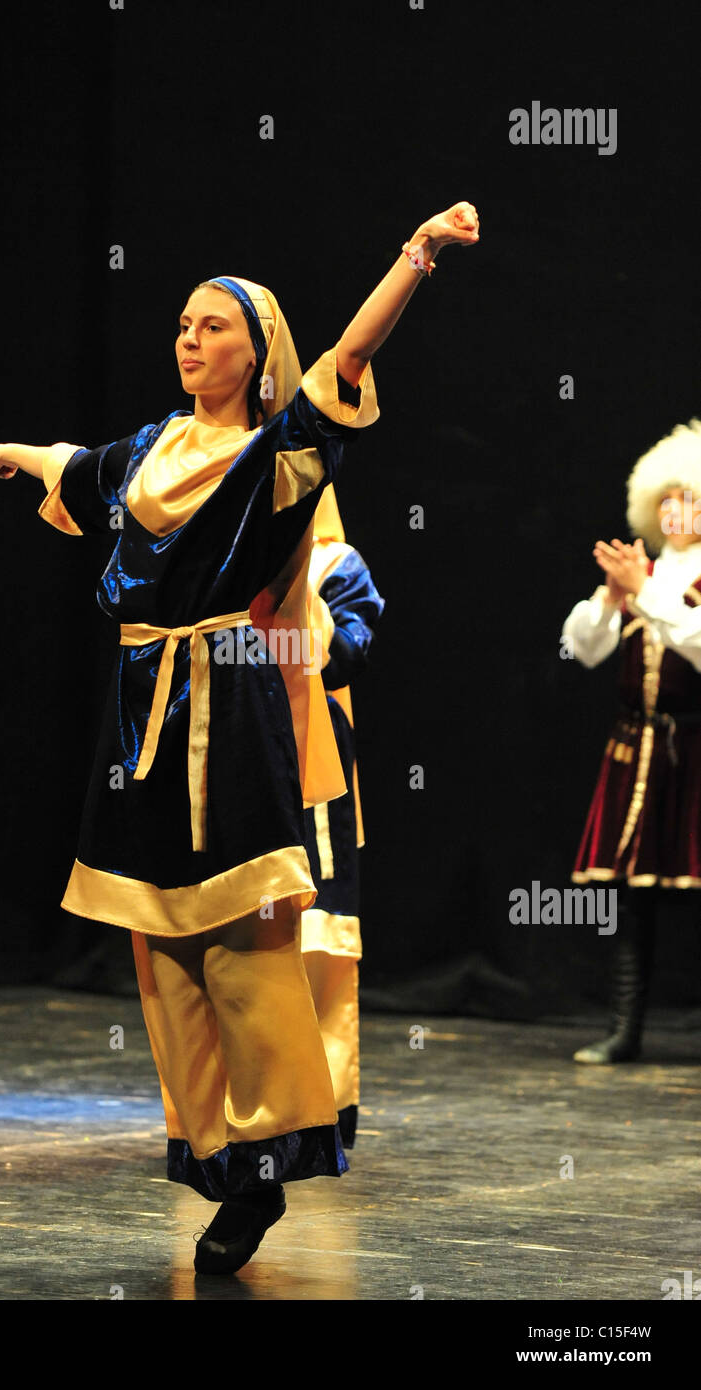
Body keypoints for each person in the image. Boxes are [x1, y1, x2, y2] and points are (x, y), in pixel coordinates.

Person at [0, 201, 479, 1274]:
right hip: (138, 708)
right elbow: (84, 467)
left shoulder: (276, 456)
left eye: (212, 326)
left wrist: (414, 257)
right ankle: (216, 1150)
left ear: (257, 353)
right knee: (159, 948)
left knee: (244, 943)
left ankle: (267, 1155)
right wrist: (12, 452)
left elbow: (348, 357)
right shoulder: (151, 446)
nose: (188, 338)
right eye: (181, 325)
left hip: (231, 701)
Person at [564, 419, 701, 1064]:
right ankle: (626, 1028)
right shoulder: (640, 570)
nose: (680, 509)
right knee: (633, 892)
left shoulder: (672, 581)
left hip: (693, 749)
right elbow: (580, 649)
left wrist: (646, 595)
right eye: (670, 497)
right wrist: (611, 600)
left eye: (694, 496)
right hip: (635, 751)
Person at [301, 485, 384, 1146]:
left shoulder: (335, 567)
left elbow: (346, 653)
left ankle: (322, 1102)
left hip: (311, 756)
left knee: (319, 931)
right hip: (236, 751)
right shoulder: (226, 551)